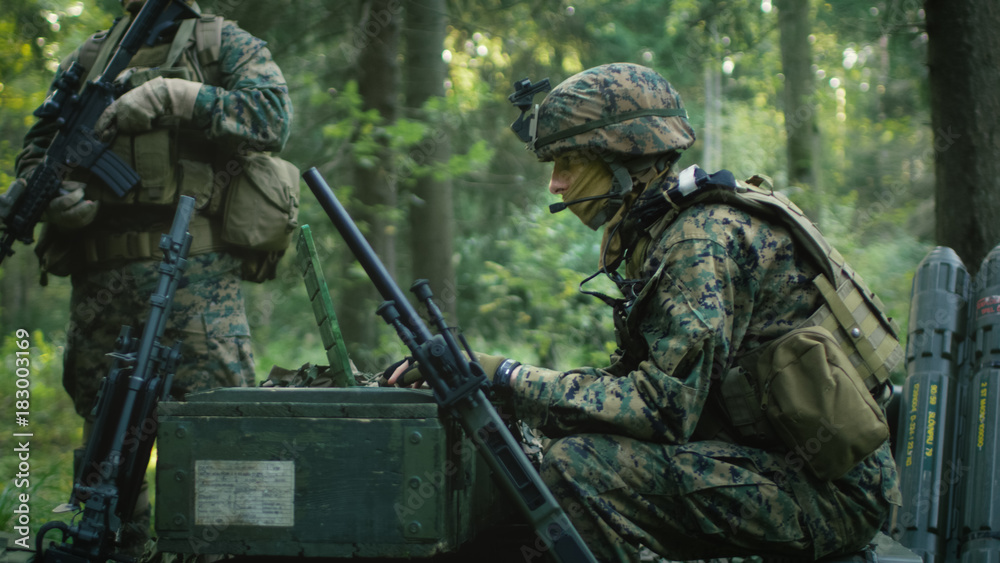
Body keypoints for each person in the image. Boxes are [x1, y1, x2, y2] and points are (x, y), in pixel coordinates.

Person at [390, 63, 903, 562]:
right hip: (785, 467)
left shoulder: (698, 239)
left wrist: (504, 374)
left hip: (831, 496)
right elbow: (640, 387)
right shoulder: (664, 230)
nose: (556, 184)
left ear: (622, 157)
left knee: (581, 467)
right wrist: (505, 384)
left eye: (568, 163)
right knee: (566, 442)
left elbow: (662, 410)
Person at [12, 0, 292, 552]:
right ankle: (112, 546)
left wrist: (178, 95)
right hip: (101, 283)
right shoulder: (89, 57)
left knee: (222, 433)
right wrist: (54, 196)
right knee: (104, 442)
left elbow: (272, 119)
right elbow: (39, 149)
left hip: (196, 277)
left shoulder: (222, 43)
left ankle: (229, 549)